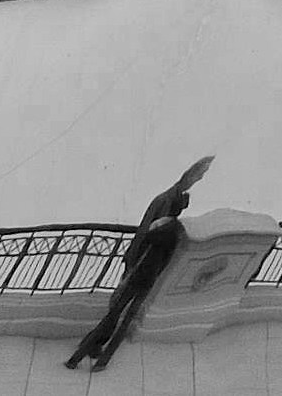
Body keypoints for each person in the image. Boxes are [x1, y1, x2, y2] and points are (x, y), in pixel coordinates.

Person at [65, 154, 212, 369]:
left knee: (115, 311)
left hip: (139, 268)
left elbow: (146, 236)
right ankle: (96, 351)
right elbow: (156, 247)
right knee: (121, 315)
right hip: (144, 273)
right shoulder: (171, 224)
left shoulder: (164, 211)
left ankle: (86, 350)